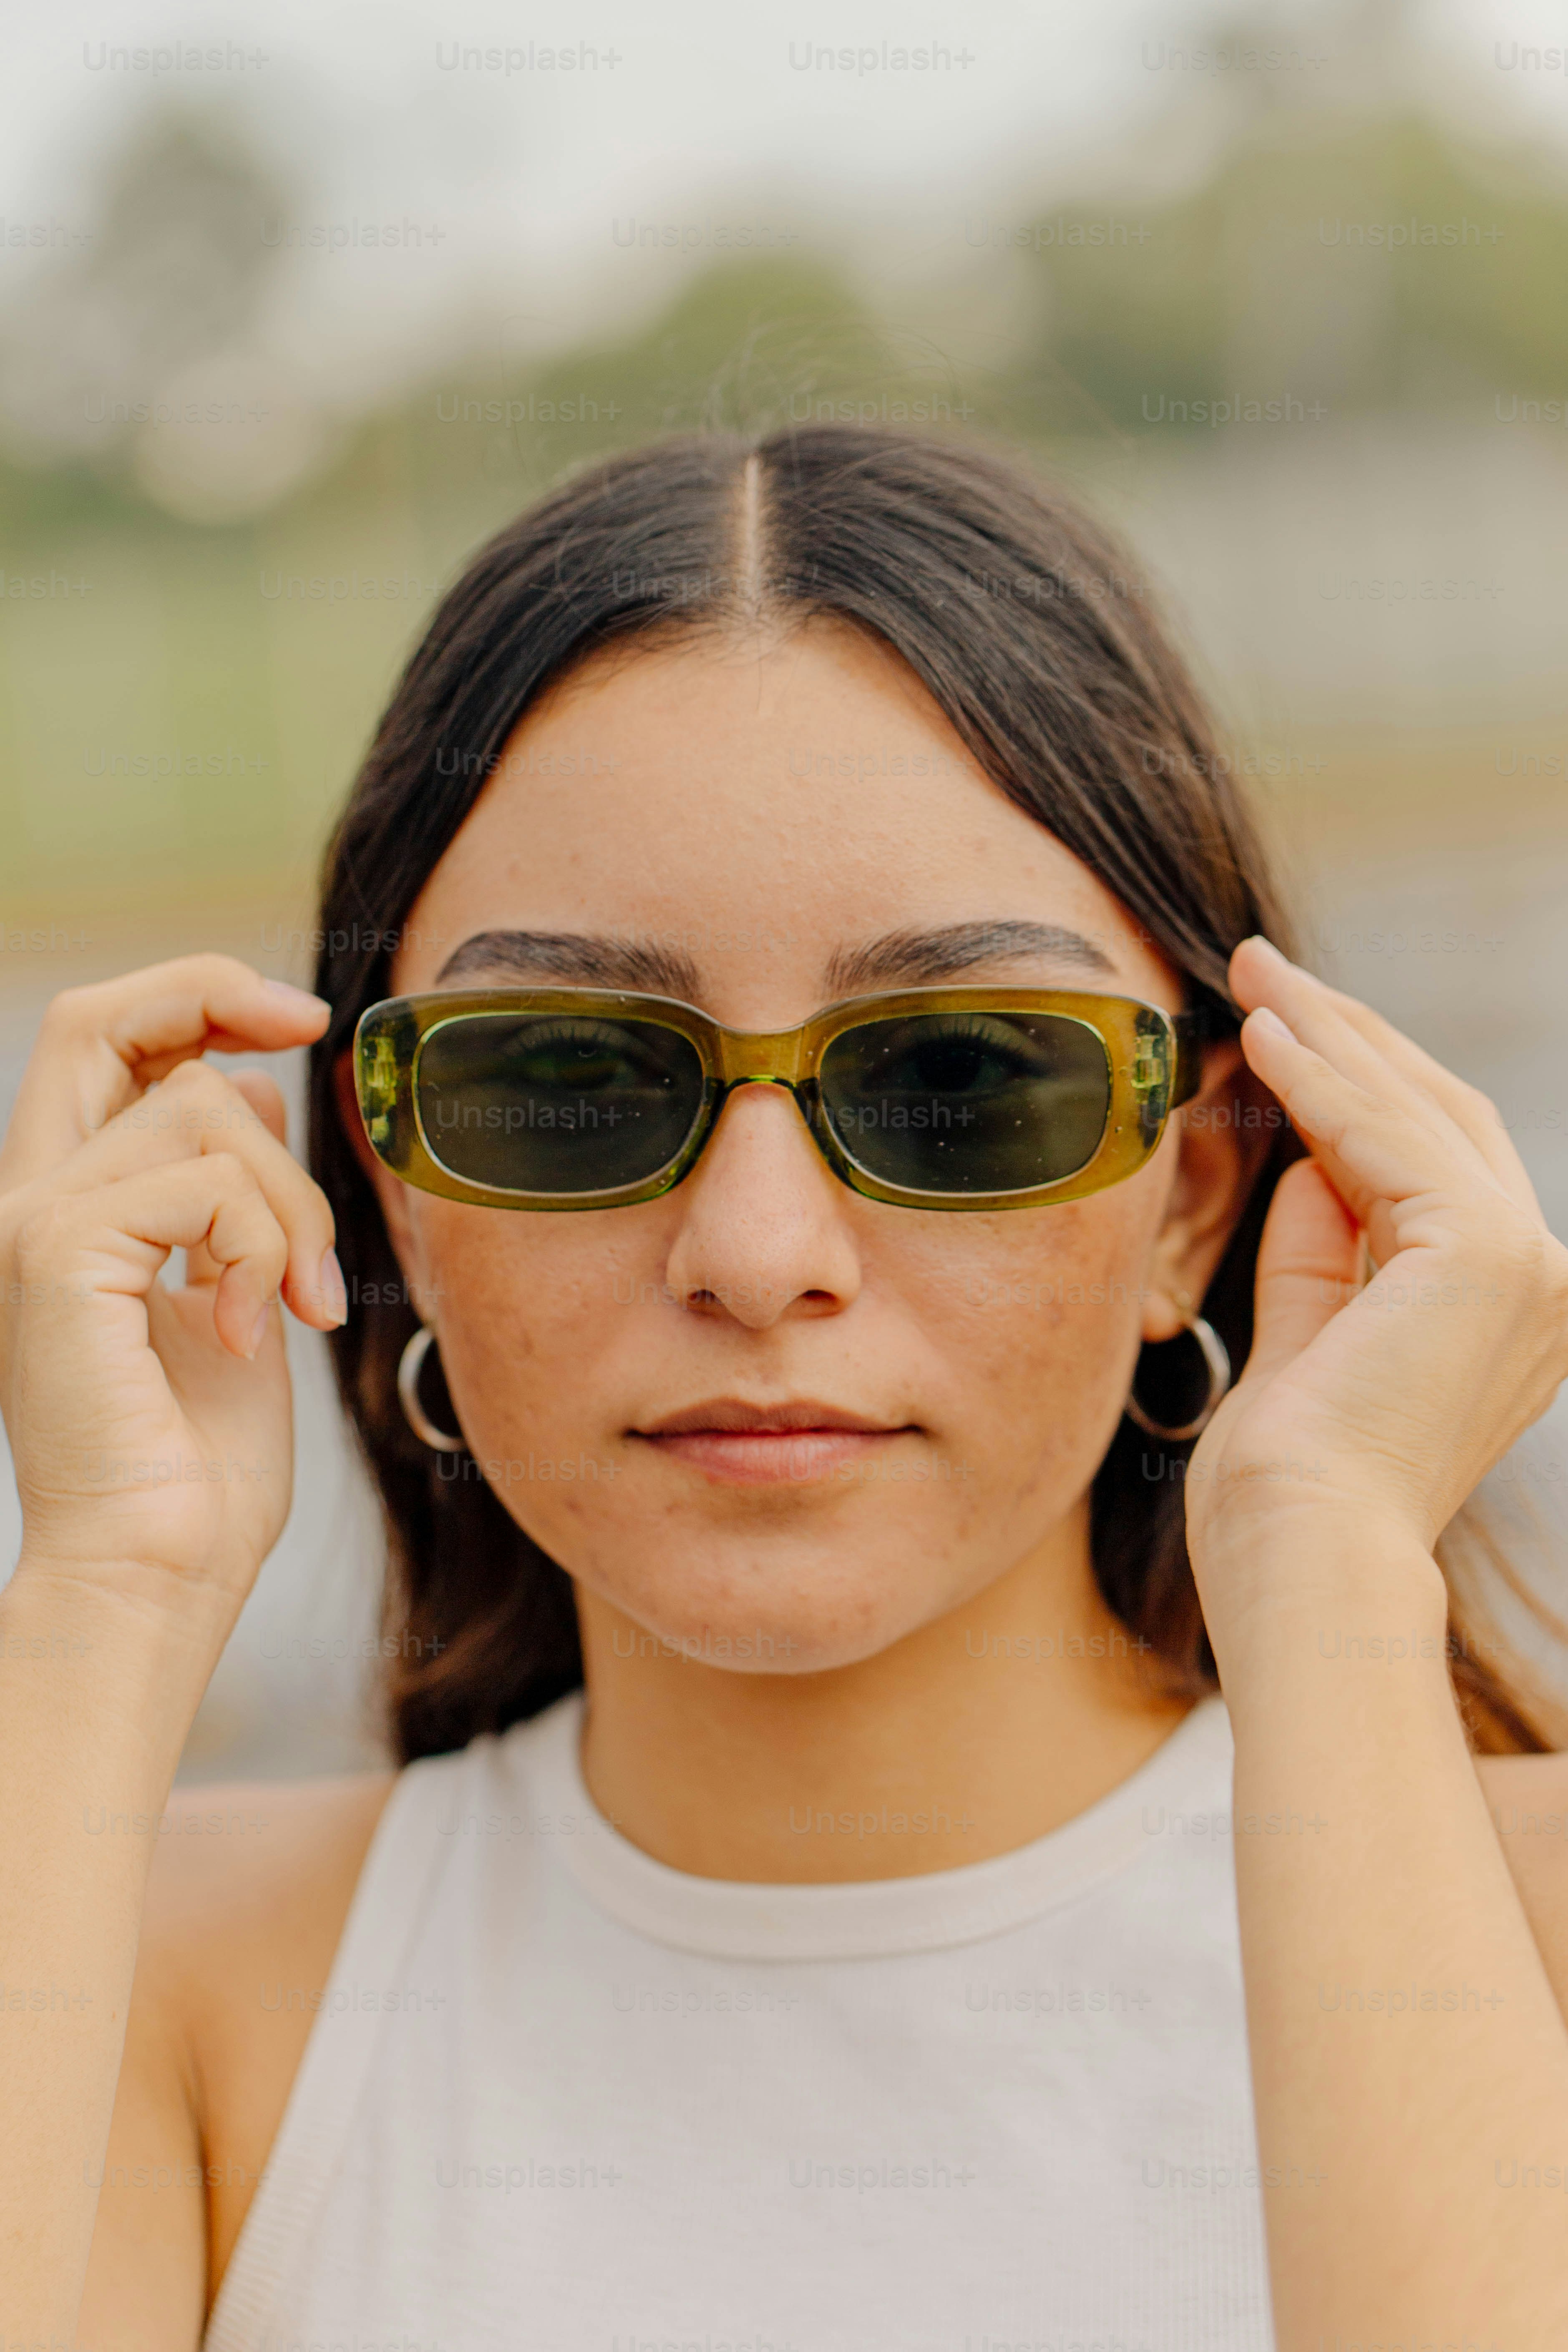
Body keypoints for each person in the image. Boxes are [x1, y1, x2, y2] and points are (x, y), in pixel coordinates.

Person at [2, 426, 1566, 2352]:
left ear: (1199, 1195)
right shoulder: (155, 1981)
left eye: (967, 1080)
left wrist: (1332, 1573)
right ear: (388, 1184)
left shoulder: (1530, 1936)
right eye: (566, 1083)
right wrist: (102, 1596)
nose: (757, 1253)